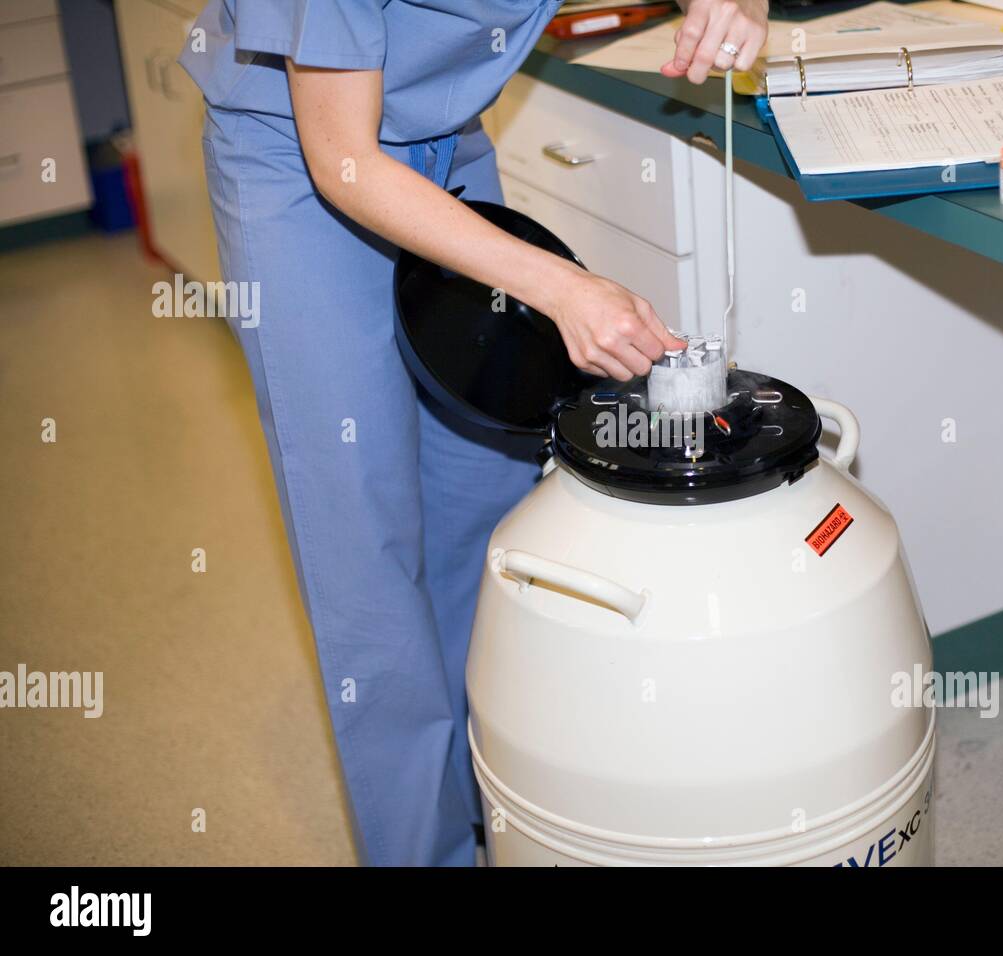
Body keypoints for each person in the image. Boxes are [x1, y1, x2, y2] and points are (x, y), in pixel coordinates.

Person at [179, 0, 770, 865]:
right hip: (305, 165)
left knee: (484, 499)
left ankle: (500, 812)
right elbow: (344, 160)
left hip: (444, 143)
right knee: (366, 547)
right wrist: (561, 288)